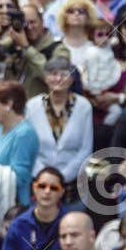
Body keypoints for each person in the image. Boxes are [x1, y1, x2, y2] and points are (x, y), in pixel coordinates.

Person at [26, 57, 94, 190]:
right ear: (45, 78)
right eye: (53, 74)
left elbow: (85, 150)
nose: (58, 79)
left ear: (72, 79)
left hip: (71, 181)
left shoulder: (84, 106)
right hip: (37, 178)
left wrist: (62, 177)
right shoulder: (32, 106)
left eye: (64, 74)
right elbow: (27, 147)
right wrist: (43, 176)